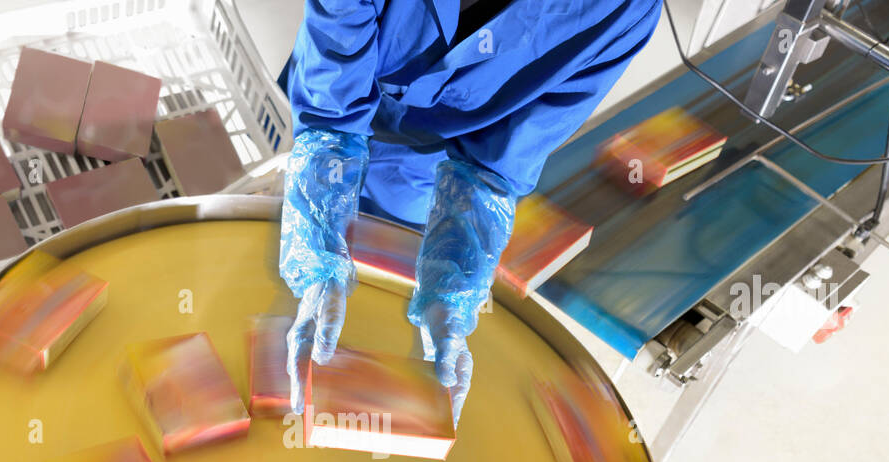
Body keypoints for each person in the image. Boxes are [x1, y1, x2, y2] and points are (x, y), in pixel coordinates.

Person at [278, 0, 663, 424]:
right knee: (302, 291)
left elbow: (496, 163)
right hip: (335, 98)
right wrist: (315, 252)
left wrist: (451, 291)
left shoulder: (623, 11)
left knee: (379, 293)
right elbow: (332, 98)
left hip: (425, 164)